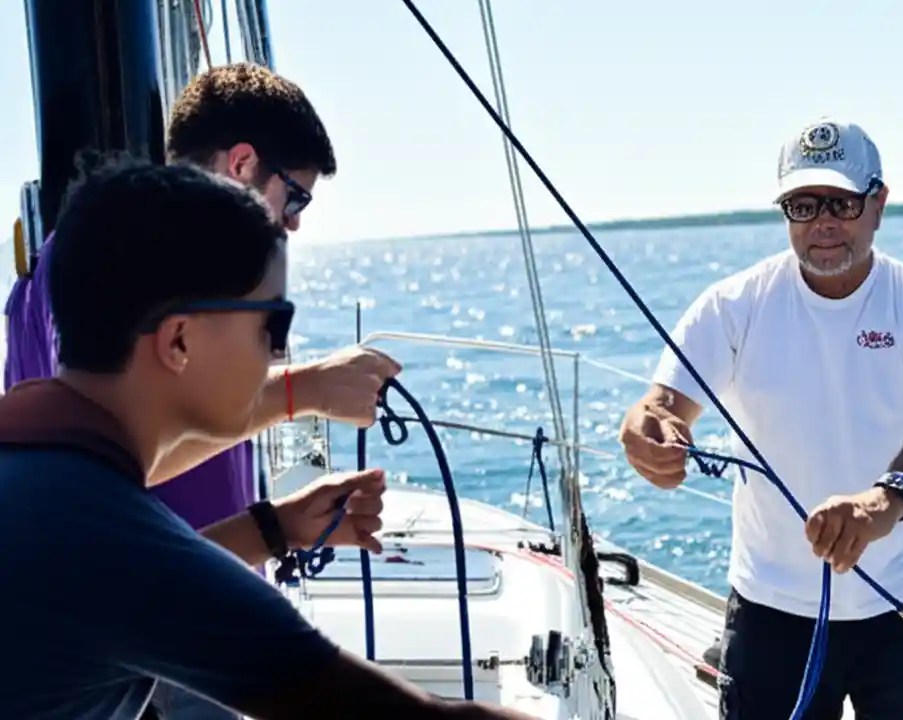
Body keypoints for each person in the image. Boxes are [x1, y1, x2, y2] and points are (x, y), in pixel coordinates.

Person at [0, 159, 536, 720]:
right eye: (272, 326)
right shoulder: (104, 537)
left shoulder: (41, 478)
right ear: (179, 341)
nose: (281, 354)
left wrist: (275, 529)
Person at [2, 64, 395, 718]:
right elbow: (108, 482)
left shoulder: (152, 276)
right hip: (162, 658)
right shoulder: (105, 270)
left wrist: (277, 526)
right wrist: (305, 390)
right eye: (294, 197)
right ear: (242, 163)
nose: (293, 224)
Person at [618, 117, 903, 719]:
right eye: (803, 205)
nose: (824, 222)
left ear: (878, 205)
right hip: (771, 611)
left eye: (841, 202)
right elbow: (659, 406)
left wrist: (883, 500)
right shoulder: (733, 305)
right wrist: (646, 433)